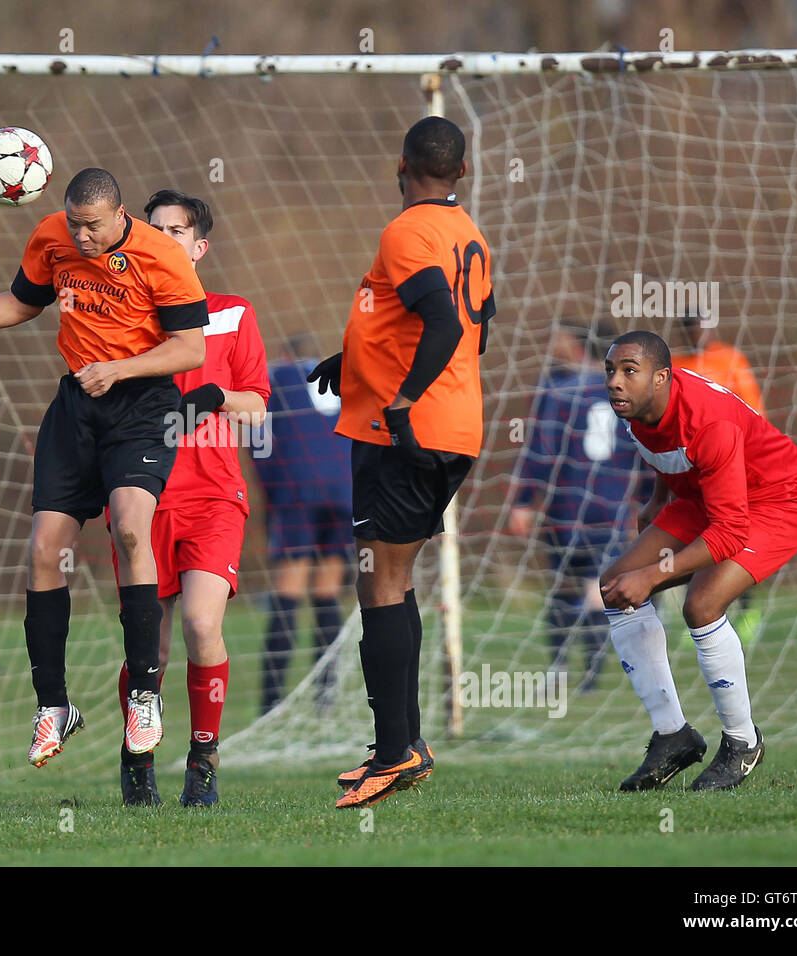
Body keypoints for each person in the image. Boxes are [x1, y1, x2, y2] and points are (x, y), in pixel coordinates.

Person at [0, 168, 207, 770]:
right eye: (74, 223)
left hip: (142, 407)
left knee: (128, 525)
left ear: (121, 214)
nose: (82, 236)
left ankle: (145, 695)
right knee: (44, 548)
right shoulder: (52, 237)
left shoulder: (162, 256)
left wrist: (120, 369)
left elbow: (190, 349)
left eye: (92, 225)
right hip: (76, 405)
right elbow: (22, 302)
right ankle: (53, 707)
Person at [311, 116, 495, 810]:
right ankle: (403, 743)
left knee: (378, 581)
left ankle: (394, 753)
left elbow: (445, 323)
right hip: (452, 426)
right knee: (394, 576)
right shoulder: (468, 232)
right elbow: (478, 320)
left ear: (402, 164)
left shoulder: (407, 230)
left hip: (405, 430)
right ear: (464, 170)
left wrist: (404, 399)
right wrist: (355, 358)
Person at [601, 330, 797, 791]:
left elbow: (727, 531)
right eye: (611, 371)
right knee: (615, 583)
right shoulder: (636, 407)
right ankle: (673, 736)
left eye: (629, 371)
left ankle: (743, 742)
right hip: (706, 493)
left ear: (662, 377)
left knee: (701, 604)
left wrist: (653, 574)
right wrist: (658, 500)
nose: (616, 382)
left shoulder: (709, 423)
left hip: (780, 498)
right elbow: (662, 449)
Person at [107, 189, 270, 807]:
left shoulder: (231, 314)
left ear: (199, 248)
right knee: (147, 644)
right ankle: (138, 756)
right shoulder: (120, 313)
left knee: (203, 625)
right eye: (154, 229)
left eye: (176, 231)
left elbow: (258, 407)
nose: (163, 239)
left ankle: (203, 759)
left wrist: (216, 399)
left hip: (212, 498)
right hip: (141, 499)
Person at [508, 319, 647, 692]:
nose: (552, 346)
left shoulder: (557, 391)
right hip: (613, 506)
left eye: (558, 339)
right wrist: (645, 500)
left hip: (568, 507)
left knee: (564, 588)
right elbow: (639, 449)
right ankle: (592, 674)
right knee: (597, 589)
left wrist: (524, 501)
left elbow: (542, 449)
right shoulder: (619, 390)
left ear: (575, 345)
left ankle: (558, 668)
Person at [254, 333, 353, 714]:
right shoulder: (337, 375)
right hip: (344, 489)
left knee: (288, 592)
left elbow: (261, 444)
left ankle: (271, 701)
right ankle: (325, 695)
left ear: (283, 353)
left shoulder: (273, 376)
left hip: (299, 488)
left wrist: (269, 504)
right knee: (328, 590)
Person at [672, 315, 766, 644]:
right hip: (690, 466)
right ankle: (698, 614)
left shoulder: (730, 359)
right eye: (692, 328)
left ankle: (747, 612)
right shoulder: (676, 365)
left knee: (737, 535)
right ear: (683, 331)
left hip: (732, 463)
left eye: (703, 326)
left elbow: (754, 411)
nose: (699, 333)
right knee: (694, 538)